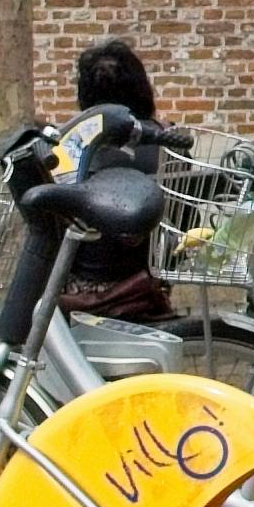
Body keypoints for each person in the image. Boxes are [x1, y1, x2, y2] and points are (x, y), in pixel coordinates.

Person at [60, 36, 175, 325]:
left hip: (79, 289)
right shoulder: (169, 142)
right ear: (141, 87)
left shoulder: (71, 146)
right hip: (145, 284)